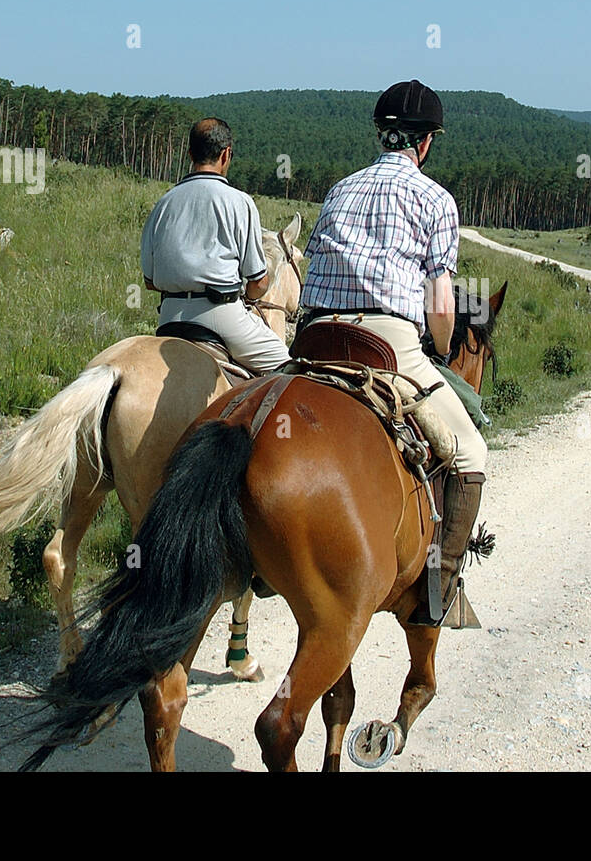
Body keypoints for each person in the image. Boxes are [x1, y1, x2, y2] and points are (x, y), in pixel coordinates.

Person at [299, 80, 488, 628]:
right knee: (471, 451)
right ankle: (439, 587)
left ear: (382, 135)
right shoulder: (436, 200)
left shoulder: (339, 189)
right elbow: (440, 304)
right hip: (387, 345)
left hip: (314, 339)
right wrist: (445, 345)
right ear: (426, 143)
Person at [140, 117, 291, 374]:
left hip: (169, 317)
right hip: (221, 316)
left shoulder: (163, 204)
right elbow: (259, 282)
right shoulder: (239, 202)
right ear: (226, 154)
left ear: (190, 154)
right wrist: (249, 297)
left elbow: (150, 281)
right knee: (292, 371)